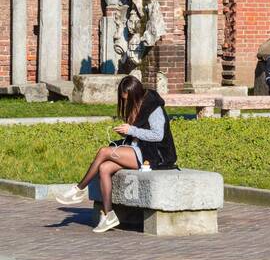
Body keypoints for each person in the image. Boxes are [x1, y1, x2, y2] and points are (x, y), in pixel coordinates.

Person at [55, 76, 178, 234]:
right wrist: (126, 133)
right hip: (138, 149)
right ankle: (108, 215)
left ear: (136, 94)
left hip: (156, 155)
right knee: (105, 168)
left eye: (127, 98)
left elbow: (158, 135)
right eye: (123, 98)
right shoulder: (135, 104)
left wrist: (131, 130)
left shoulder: (153, 107)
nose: (125, 102)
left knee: (104, 151)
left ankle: (78, 189)